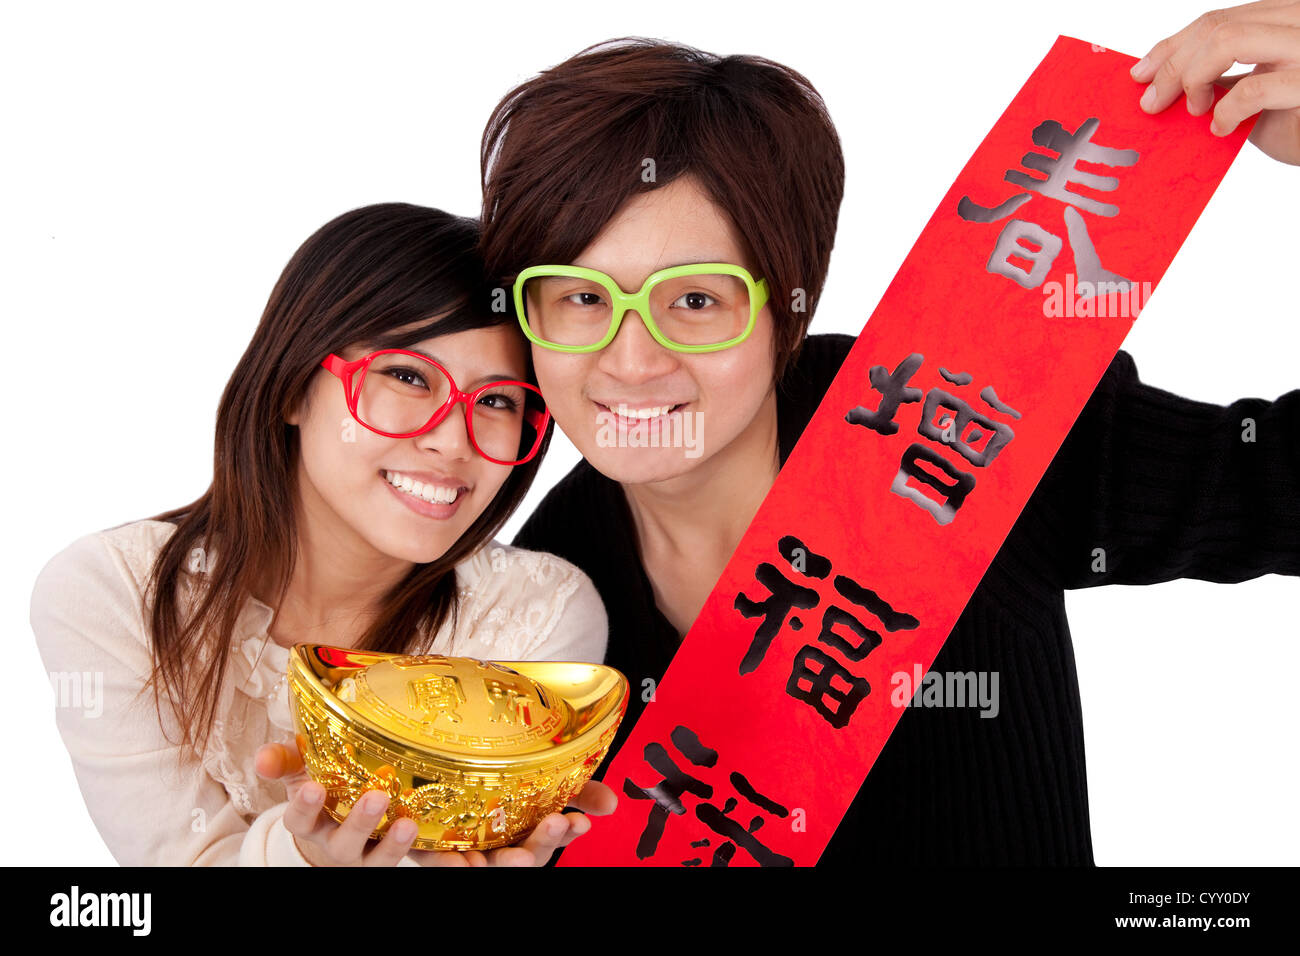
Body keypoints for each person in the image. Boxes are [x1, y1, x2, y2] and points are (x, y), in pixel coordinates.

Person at [481, 11, 1300, 865]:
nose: (634, 358)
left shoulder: (963, 418)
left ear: (784, 305)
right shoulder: (544, 607)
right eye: (580, 298)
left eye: (695, 301)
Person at [30, 203, 617, 867]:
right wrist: (304, 859)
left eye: (496, 401)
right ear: (292, 387)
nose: (454, 440)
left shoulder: (537, 615)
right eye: (406, 376)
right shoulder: (110, 593)